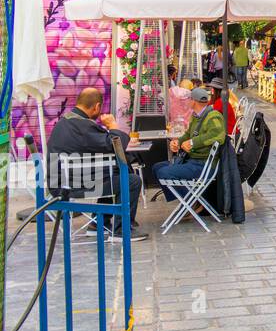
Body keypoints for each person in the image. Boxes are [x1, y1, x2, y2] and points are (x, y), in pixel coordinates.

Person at [47, 88, 144, 241]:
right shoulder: (82, 125)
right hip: (73, 185)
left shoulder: (65, 121)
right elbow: (114, 144)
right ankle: (122, 231)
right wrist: (113, 125)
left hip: (62, 181)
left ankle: (99, 224)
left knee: (116, 173)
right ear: (97, 106)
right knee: (132, 181)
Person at [151, 86, 226, 202]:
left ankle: (192, 201)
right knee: (157, 167)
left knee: (163, 172)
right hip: (193, 161)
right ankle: (184, 201)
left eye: (188, 99)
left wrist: (192, 142)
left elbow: (217, 136)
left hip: (204, 165)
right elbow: (188, 134)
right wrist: (178, 142)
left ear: (194, 101)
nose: (186, 102)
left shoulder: (213, 116)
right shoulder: (196, 116)